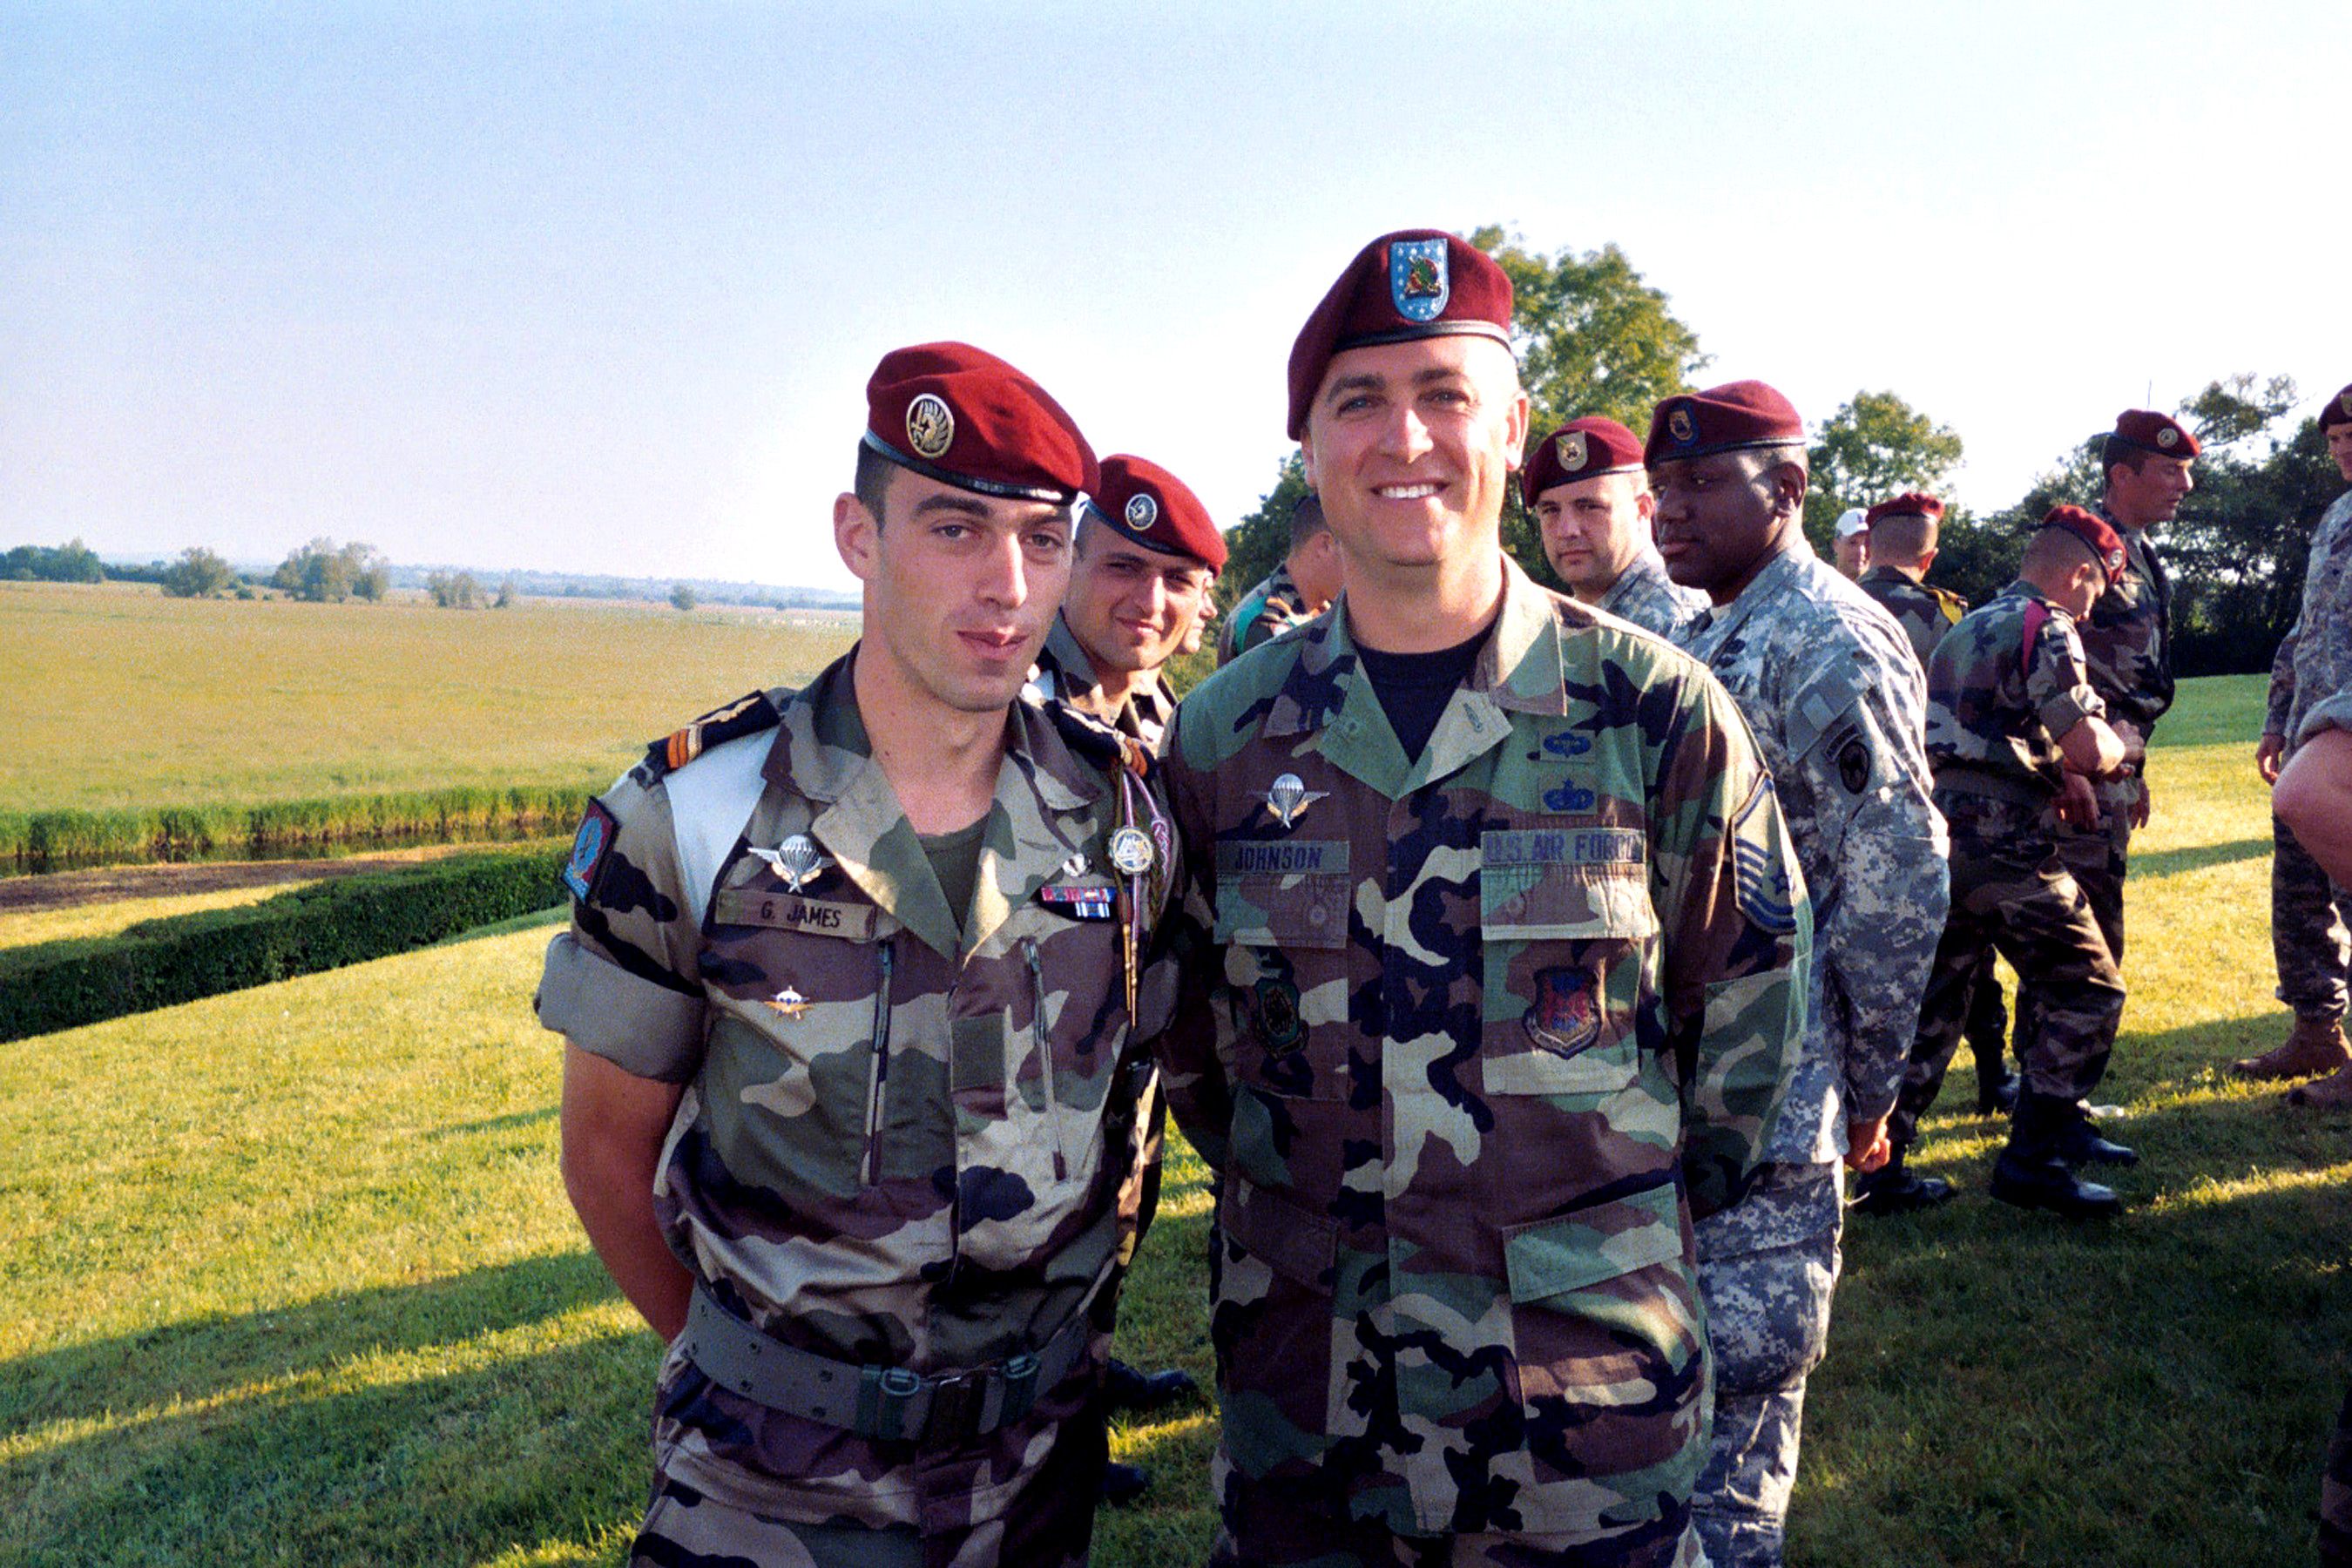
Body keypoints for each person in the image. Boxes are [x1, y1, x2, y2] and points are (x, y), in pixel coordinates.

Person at [1153, 230, 1810, 1568]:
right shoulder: (1225, 739)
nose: (1407, 438)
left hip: (1582, 1429)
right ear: (1312, 449)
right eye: (1360, 402)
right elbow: (1197, 1057)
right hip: (1309, 1419)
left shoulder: (1655, 713)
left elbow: (1741, 1054)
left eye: (1445, 396)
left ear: (1510, 427)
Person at [538, 341, 1178, 1568]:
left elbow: (1131, 1121)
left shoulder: (1124, 823)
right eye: (953, 530)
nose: (1004, 585)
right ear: (858, 536)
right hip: (763, 1495)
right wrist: (749, 1379)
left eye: (1042, 543)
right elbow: (605, 1159)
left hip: (1031, 1486)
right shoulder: (699, 814)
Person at [1648, 379, 1948, 1567]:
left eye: (1703, 484)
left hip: (1778, 1092)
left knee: (1736, 1429)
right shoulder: (1704, 627)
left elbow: (1895, 876)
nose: (1671, 510)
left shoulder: (1826, 637)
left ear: (1792, 488)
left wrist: (1872, 1087)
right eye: (1662, 487)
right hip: (1683, 1083)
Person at [1867, 506, 2143, 1218]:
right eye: (2096, 591)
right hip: (2004, 843)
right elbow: (2083, 742)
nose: (2090, 609)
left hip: (1942, 837)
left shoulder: (1966, 626)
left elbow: (1982, 729)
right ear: (2081, 573)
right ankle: (2035, 1159)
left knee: (1939, 1005)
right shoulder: (2043, 624)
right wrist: (2120, 748)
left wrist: (2058, 772)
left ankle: (1886, 1166)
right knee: (2089, 988)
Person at [2013, 409, 2196, 1073]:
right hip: (2079, 769)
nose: (2186, 485)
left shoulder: (2137, 551)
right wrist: (2070, 771)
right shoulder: (2087, 549)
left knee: (2093, 925)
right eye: (2172, 470)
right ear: (2123, 474)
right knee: (2077, 940)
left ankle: (2052, 1085)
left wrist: (2134, 768)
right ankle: (2053, 1090)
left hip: (2111, 764)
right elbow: (2046, 662)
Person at [1854, 490, 2017, 1114]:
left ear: (1869, 544)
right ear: (1931, 553)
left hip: (1837, 811)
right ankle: (1993, 1074)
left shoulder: (1825, 606)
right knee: (1963, 953)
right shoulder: (1952, 618)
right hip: (1934, 809)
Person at [2239, 384, 2352, 1099]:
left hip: (2348, 738)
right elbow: (2306, 628)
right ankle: (2316, 1031)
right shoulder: (2336, 517)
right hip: (2316, 725)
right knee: (2301, 891)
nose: (2343, 451)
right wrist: (2279, 717)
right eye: (2335, 441)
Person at [1031, 452, 1226, 753]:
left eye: (1177, 580)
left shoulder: (1165, 718)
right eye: (1124, 568)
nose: (1151, 603)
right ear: (1068, 565)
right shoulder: (1008, 700)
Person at [1524, 414, 1707, 637]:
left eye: (1589, 507)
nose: (1567, 530)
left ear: (1643, 509)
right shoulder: (1560, 620)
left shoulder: (1675, 618)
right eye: (1551, 510)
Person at [1216, 491, 1343, 663]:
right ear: (1325, 546)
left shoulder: (1325, 610)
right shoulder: (1267, 622)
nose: (1365, 568)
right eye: (1357, 553)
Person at [1832, 507, 1870, 578]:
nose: (1860, 551)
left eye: (1867, 543)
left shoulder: (1887, 588)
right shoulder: (1819, 587)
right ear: (1836, 545)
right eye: (1852, 543)